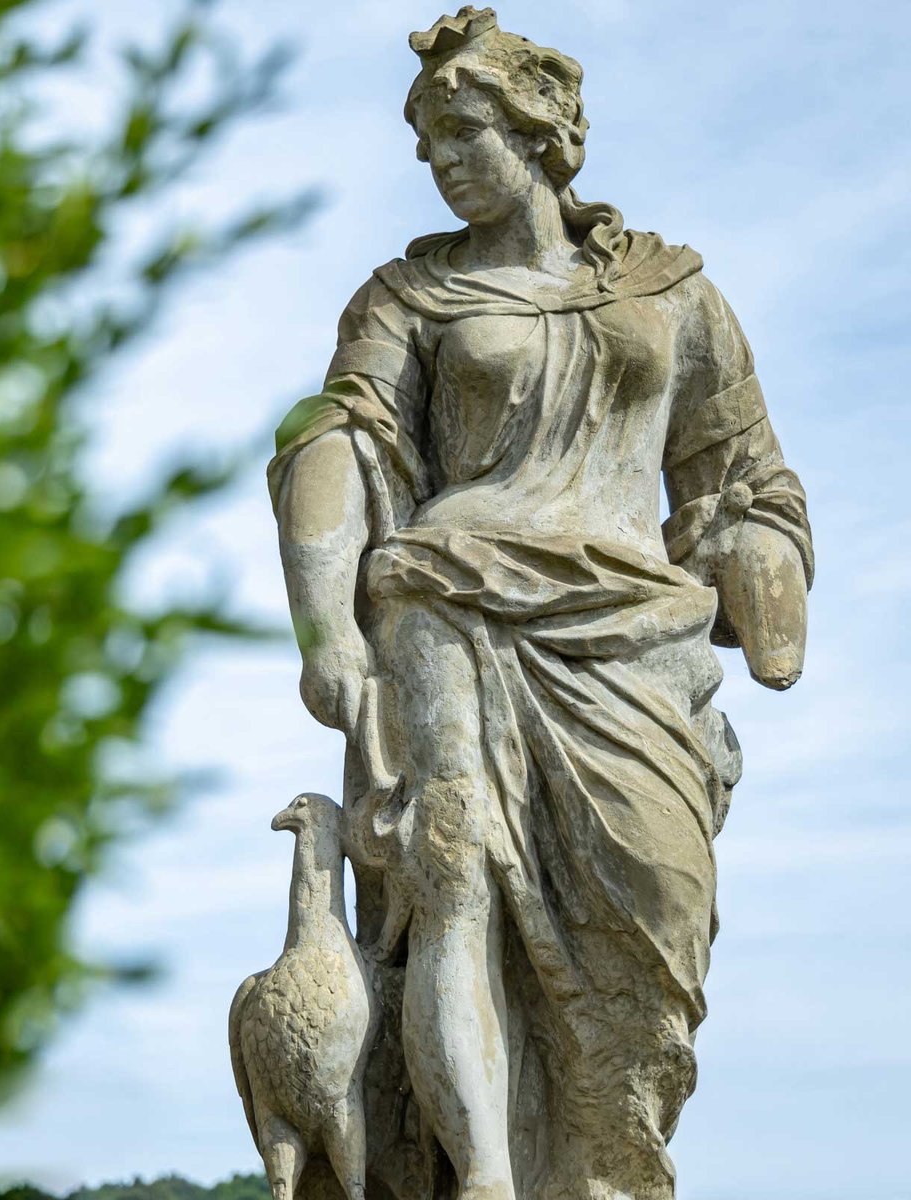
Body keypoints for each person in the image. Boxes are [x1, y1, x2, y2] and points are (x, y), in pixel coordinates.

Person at [268, 8, 812, 1200]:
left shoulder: (676, 292)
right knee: (451, 873)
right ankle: (488, 1180)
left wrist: (761, 563)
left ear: (540, 128)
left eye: (463, 130)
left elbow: (744, 476)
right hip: (447, 599)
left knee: (660, 917)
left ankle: (604, 1169)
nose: (443, 159)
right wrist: (326, 634)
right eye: (428, 143)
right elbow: (332, 443)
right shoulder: (407, 299)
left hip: (636, 641)